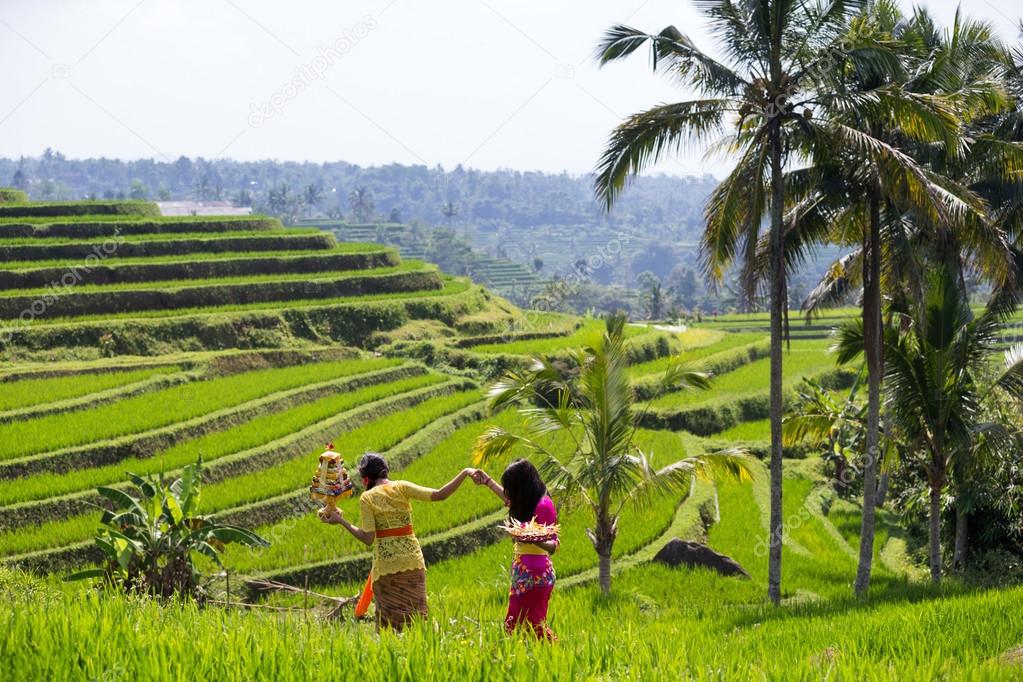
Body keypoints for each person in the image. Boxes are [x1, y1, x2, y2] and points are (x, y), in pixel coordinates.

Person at [320, 452, 476, 631]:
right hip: (414, 563)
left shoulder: (367, 498)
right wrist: (465, 472)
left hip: (387, 568)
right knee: (417, 620)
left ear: (365, 478)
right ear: (385, 471)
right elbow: (440, 494)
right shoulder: (402, 487)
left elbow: (368, 538)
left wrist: (340, 521)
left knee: (389, 628)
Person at [473, 459, 557, 640]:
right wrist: (488, 482)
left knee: (535, 627)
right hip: (522, 574)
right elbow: (512, 503)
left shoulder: (543, 506)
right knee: (512, 625)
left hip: (537, 576)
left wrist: (534, 538)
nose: (509, 493)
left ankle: (557, 656)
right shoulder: (528, 502)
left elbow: (553, 545)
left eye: (512, 488)